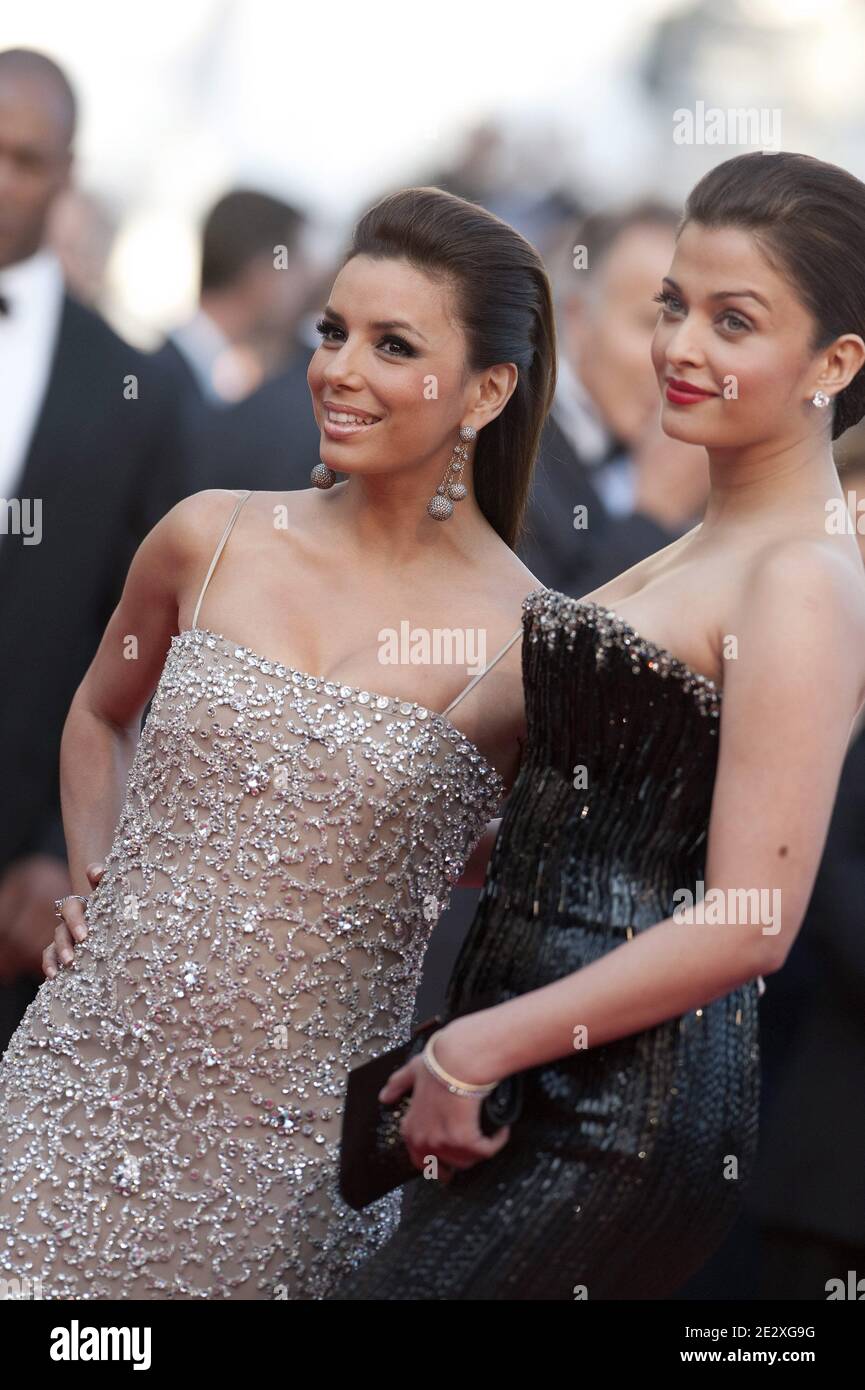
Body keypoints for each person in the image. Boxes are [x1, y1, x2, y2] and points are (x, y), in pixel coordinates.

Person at [0, 186, 554, 1299]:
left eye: (392, 345)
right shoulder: (210, 534)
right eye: (332, 331)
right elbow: (102, 711)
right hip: (78, 1090)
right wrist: (97, 886)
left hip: (288, 1160)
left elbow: (524, 884)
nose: (340, 369)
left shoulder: (531, 644)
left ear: (488, 390)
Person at [330, 150, 865, 1301]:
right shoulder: (709, 544)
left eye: (734, 321)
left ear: (834, 361)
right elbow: (556, 798)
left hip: (611, 1108)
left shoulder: (801, 580)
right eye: (673, 305)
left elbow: (751, 921)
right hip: (512, 1066)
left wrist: (479, 1046)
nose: (680, 347)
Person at [0, 47, 192, 1053]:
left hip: (14, 891)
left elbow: (148, 652)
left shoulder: (138, 392)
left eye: (22, 159)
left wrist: (63, 853)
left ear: (66, 173)